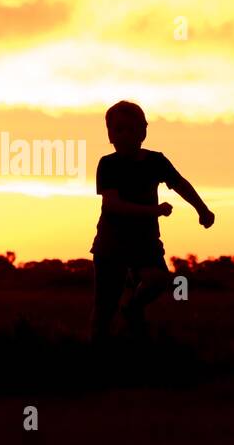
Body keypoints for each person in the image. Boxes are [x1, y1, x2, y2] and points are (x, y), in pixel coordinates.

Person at [90, 101, 213, 339]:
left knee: (157, 279)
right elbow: (112, 204)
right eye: (117, 130)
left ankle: (132, 308)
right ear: (109, 135)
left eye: (130, 129)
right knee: (104, 306)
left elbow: (180, 184)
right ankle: (95, 354)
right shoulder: (108, 164)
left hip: (145, 241)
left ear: (143, 132)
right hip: (111, 243)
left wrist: (202, 209)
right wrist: (153, 211)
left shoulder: (156, 161)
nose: (124, 135)